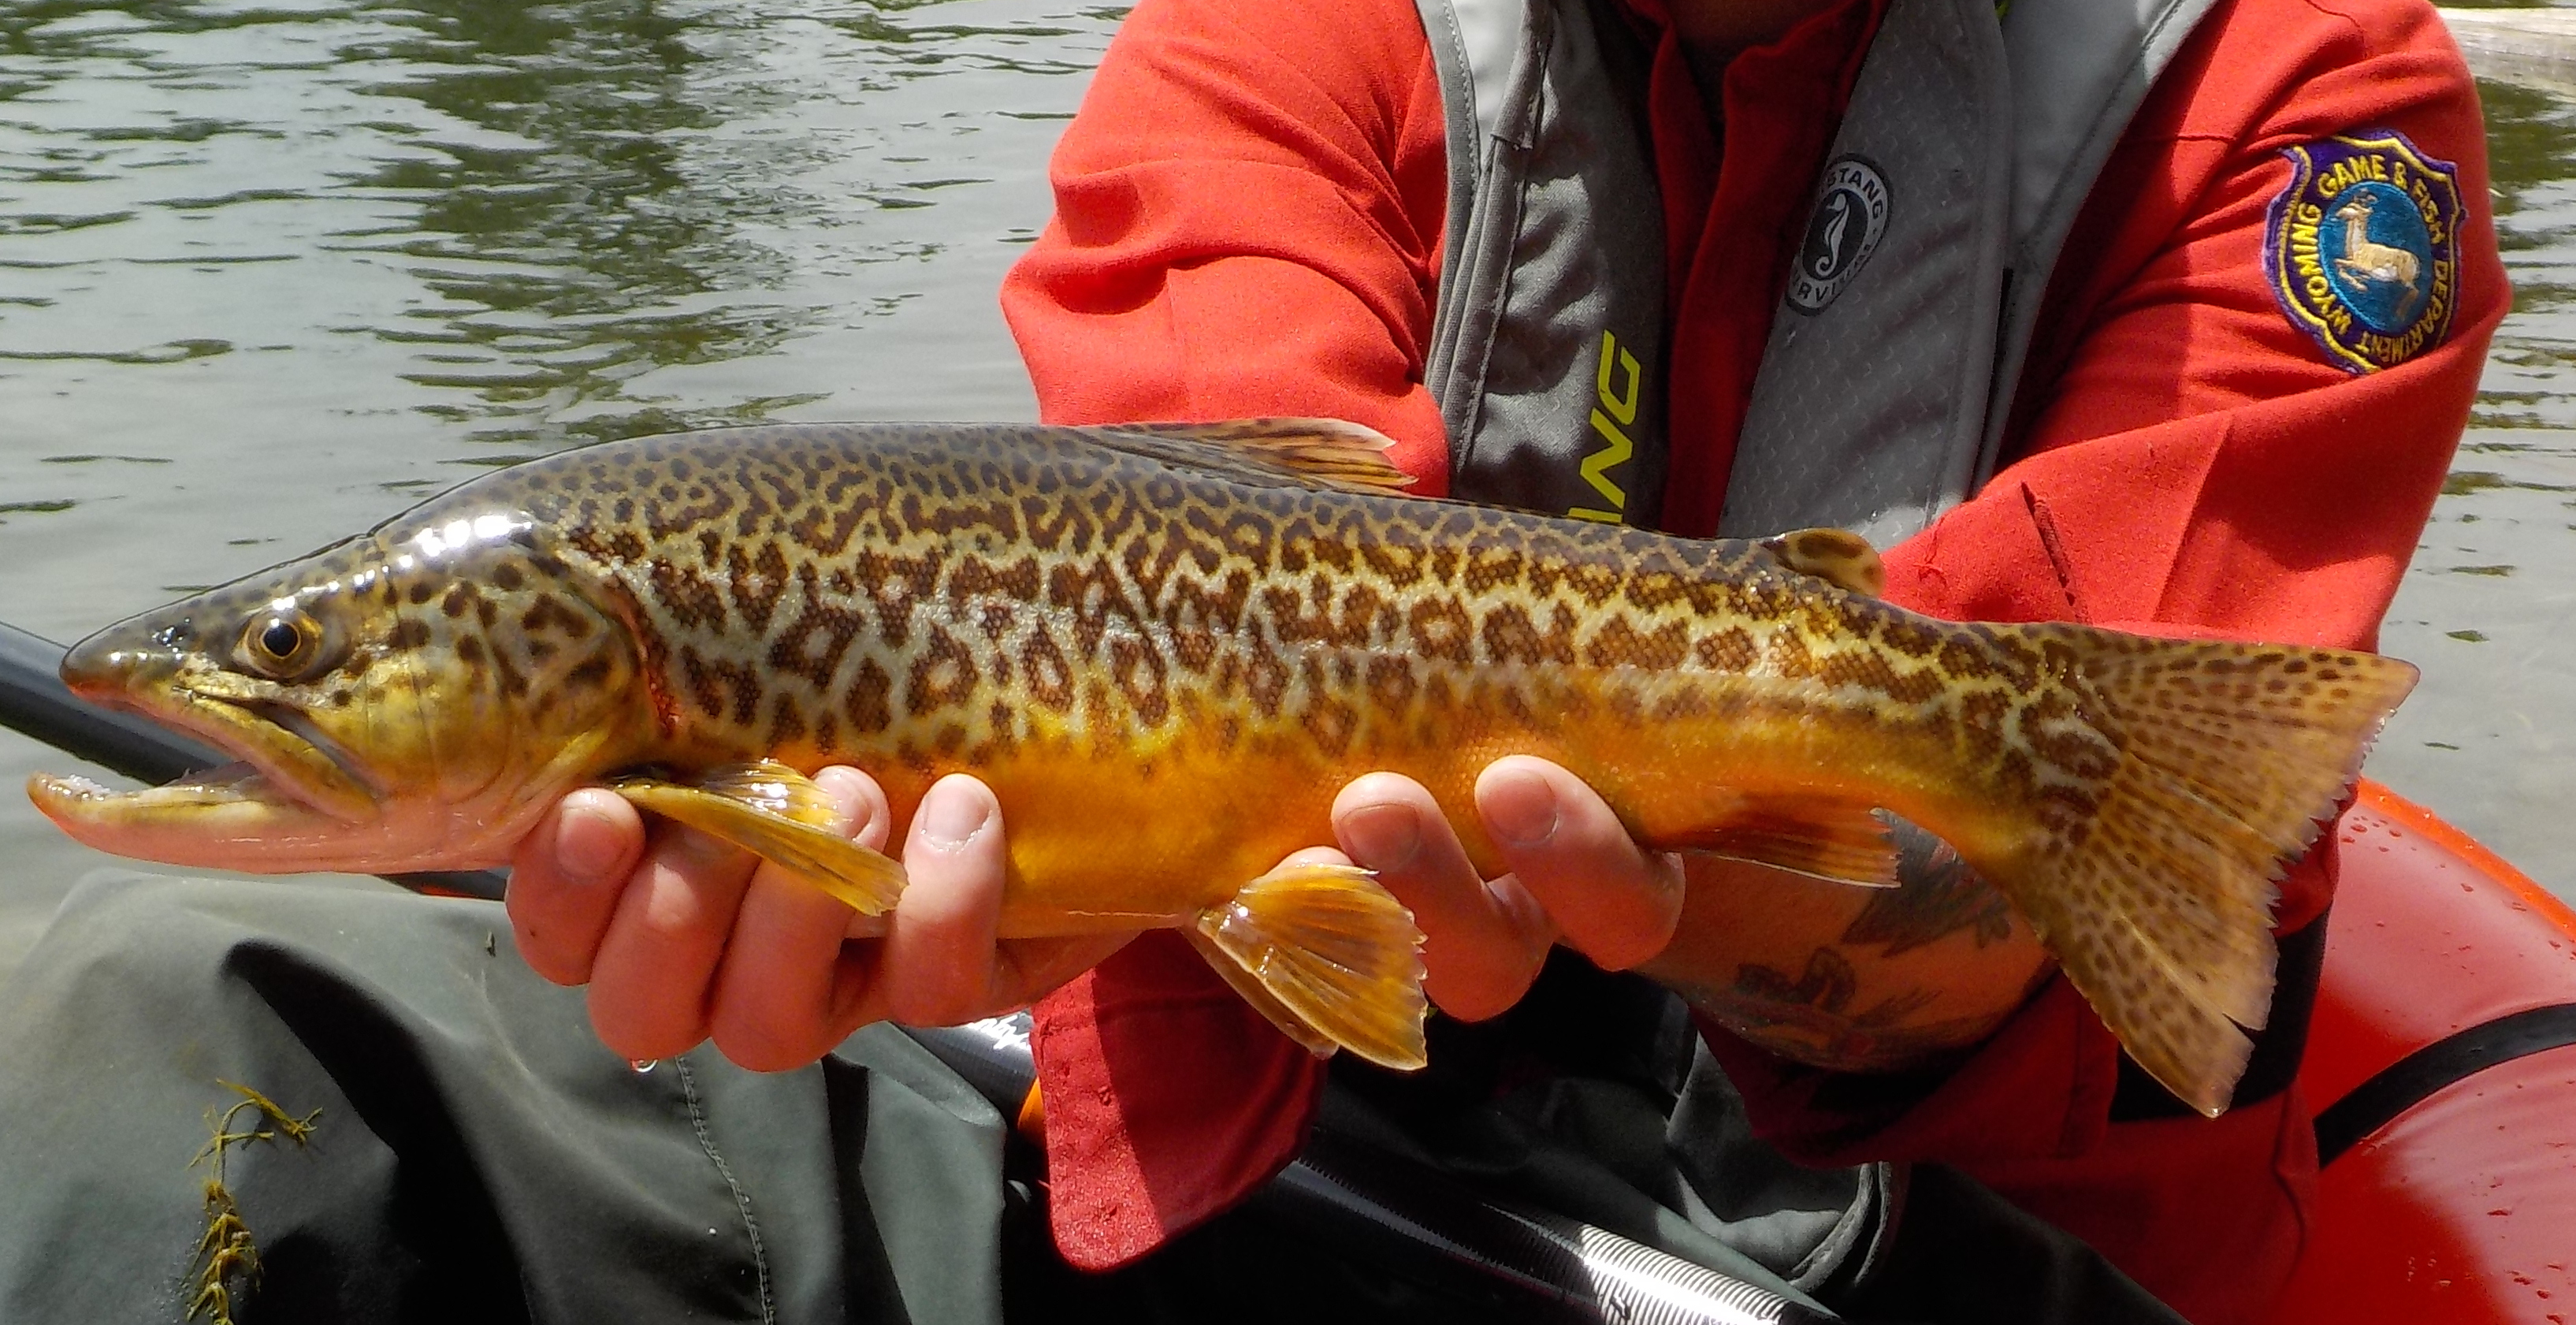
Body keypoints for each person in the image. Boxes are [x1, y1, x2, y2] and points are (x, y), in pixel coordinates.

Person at [0, 0, 2503, 1318]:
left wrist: (1667, 846)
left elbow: (2134, 982)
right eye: (307, 651)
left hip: (1952, 1217)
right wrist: (1090, 878)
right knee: (168, 1009)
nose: (277, 671)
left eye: (321, 649)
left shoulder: (2279, 91)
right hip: (1323, 1101)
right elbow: (1198, 505)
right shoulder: (1298, 25)